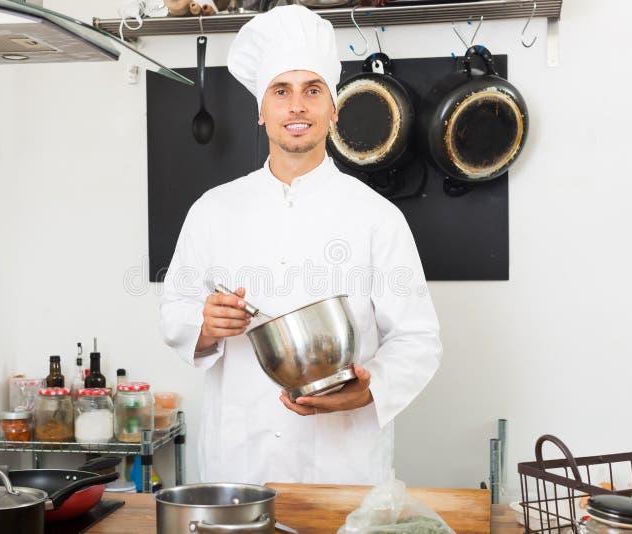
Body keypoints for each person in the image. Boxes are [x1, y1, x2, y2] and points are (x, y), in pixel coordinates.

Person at [160, 5, 441, 485]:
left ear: (333, 108)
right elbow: (175, 311)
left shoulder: (377, 217)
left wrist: (371, 390)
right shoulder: (213, 210)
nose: (296, 107)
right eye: (281, 91)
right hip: (239, 460)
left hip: (343, 464)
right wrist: (204, 324)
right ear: (261, 109)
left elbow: (417, 339)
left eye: (312, 91)